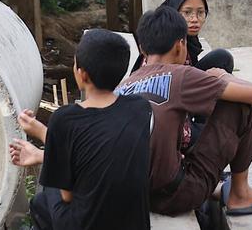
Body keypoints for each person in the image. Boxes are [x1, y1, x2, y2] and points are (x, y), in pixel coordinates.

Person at [118, 7, 252, 218]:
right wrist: (224, 76)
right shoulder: (181, 75)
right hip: (175, 196)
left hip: (136, 196)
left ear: (142, 49)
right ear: (181, 45)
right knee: (238, 106)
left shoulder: (125, 85)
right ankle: (240, 194)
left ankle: (215, 187)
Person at [9, 29, 153, 230]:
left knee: (45, 195)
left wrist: (48, 155)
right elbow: (98, 142)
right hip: (134, 223)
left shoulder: (65, 119)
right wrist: (41, 133)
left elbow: (67, 196)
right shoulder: (140, 109)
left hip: (84, 224)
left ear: (82, 74)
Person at [131, 0, 233, 74]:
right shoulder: (165, 39)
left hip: (181, 82)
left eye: (200, 12)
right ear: (174, 10)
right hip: (164, 86)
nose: (194, 19)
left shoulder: (190, 41)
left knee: (221, 59)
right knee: (222, 58)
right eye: (187, 12)